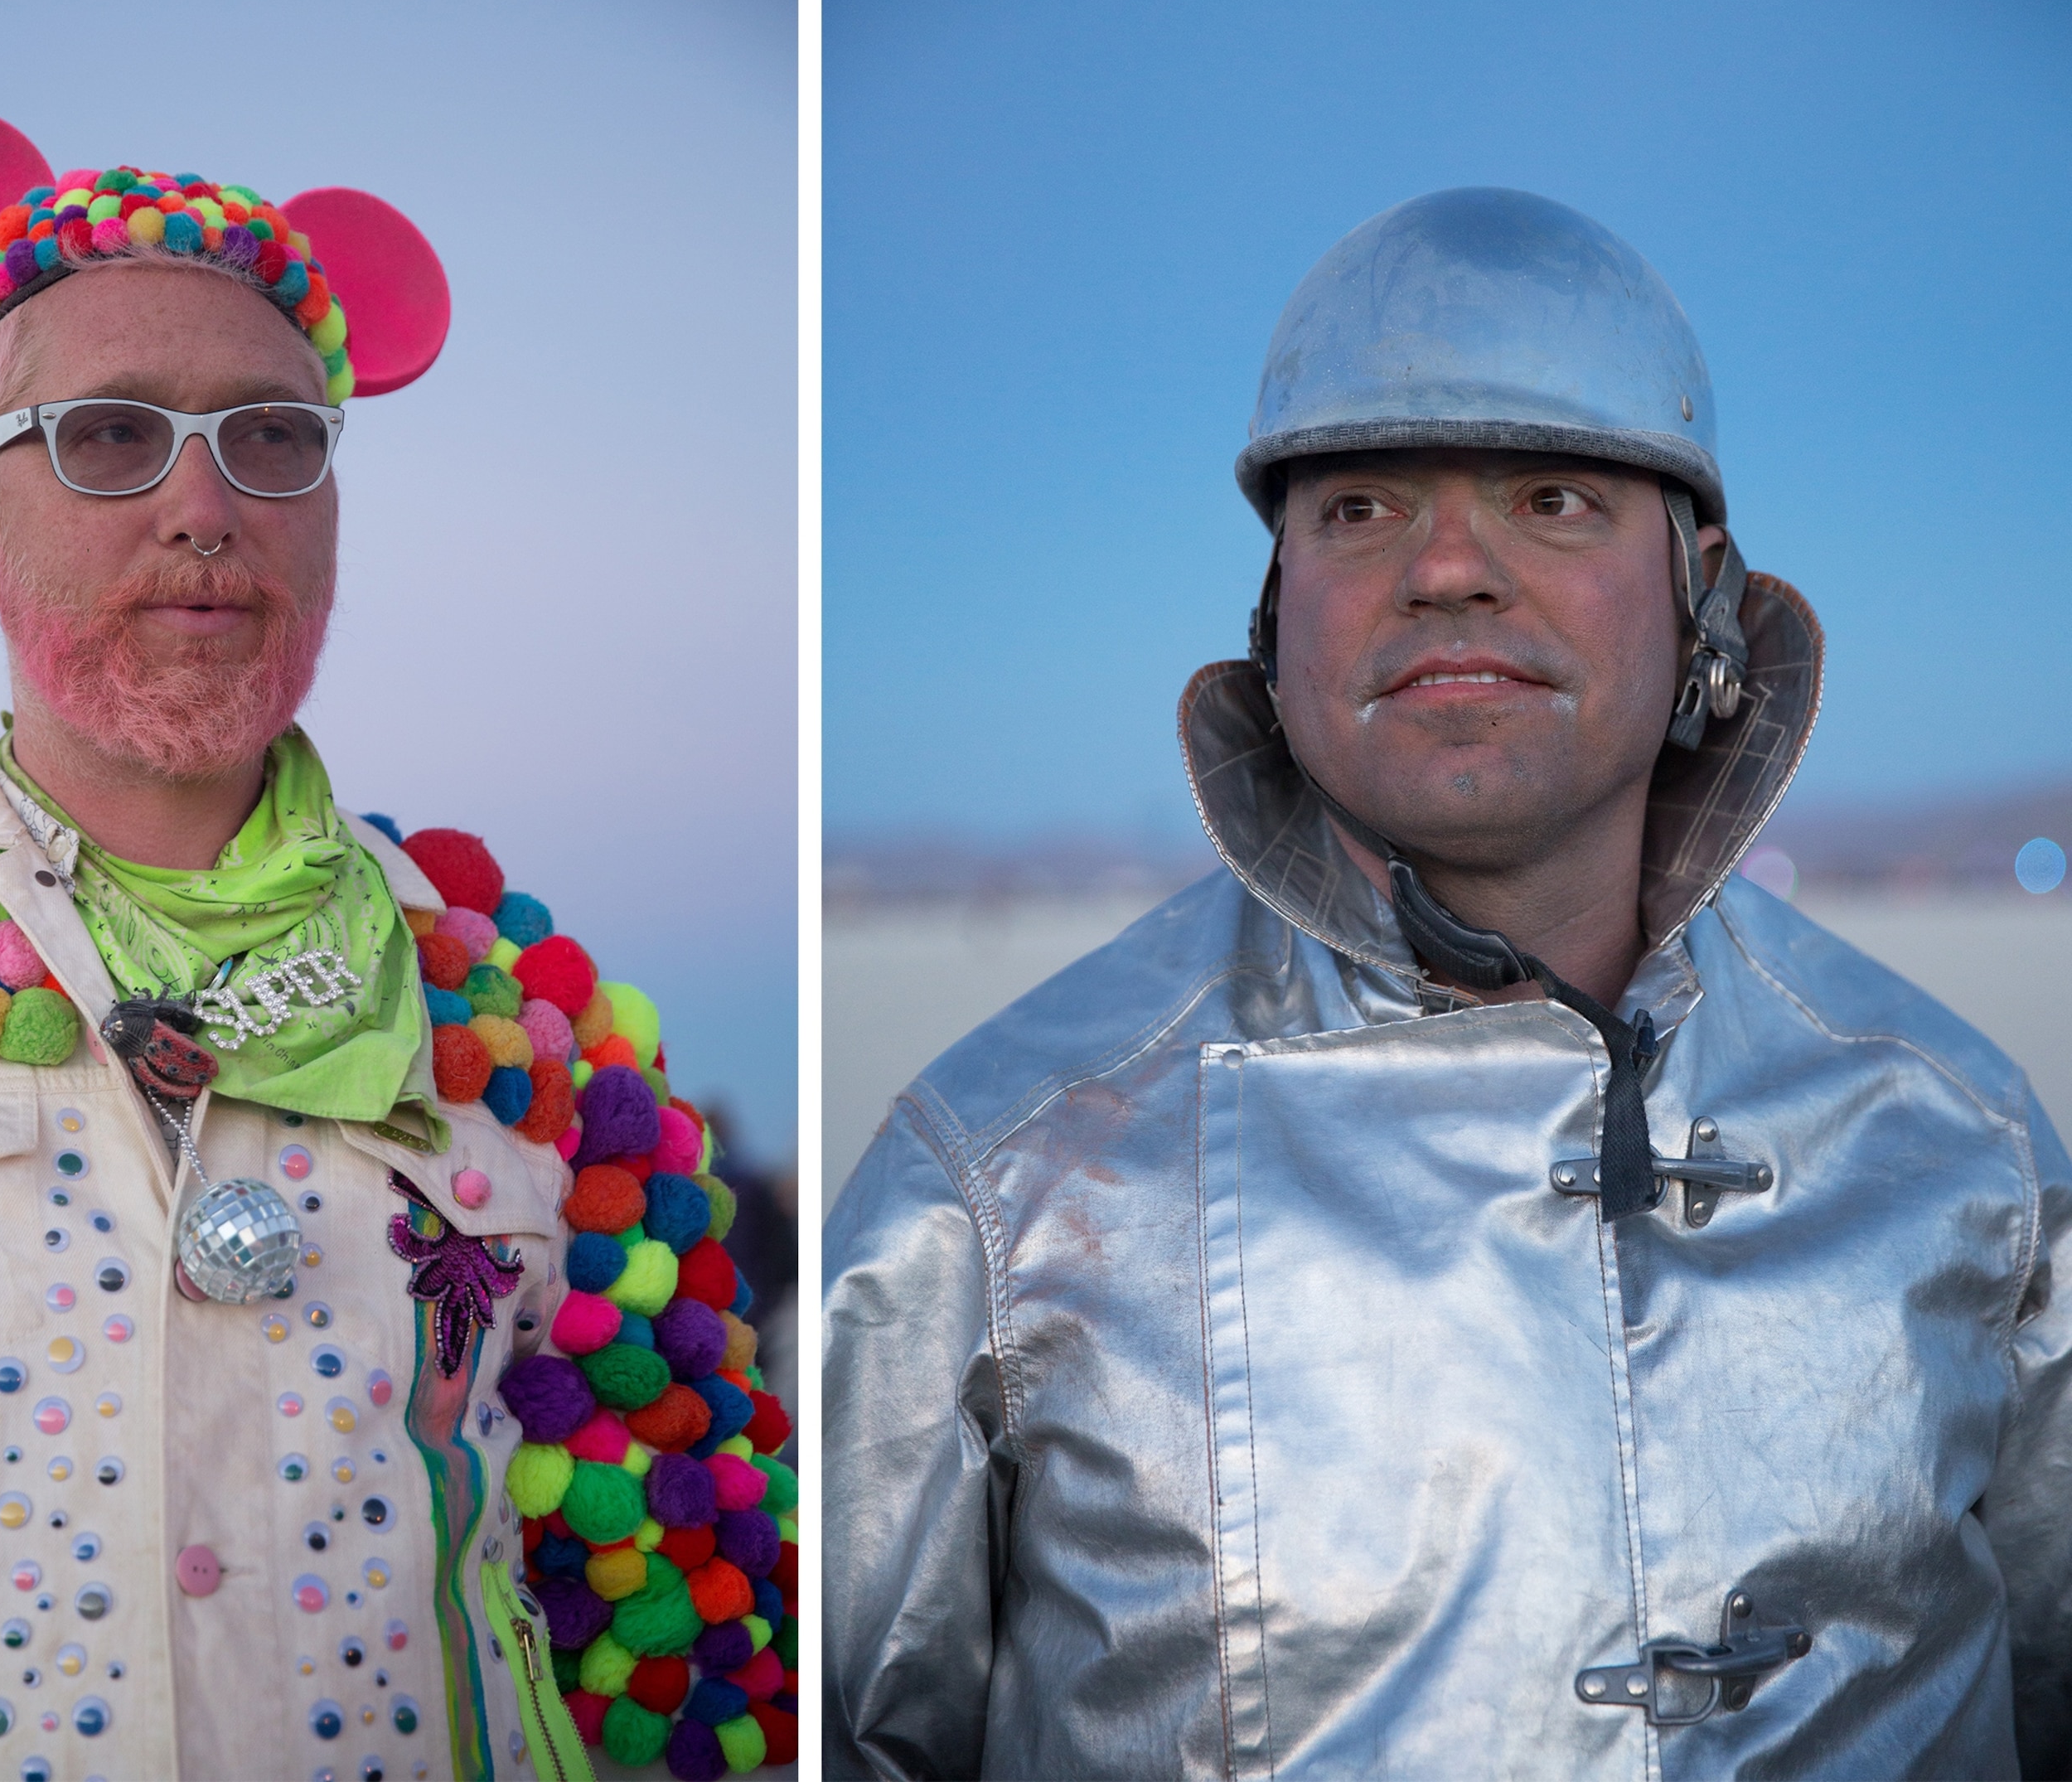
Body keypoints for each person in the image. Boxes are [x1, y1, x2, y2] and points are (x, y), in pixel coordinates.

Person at [0, 109, 797, 1782]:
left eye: (275, 440)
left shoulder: (536, 1027)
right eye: (108, 436)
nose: (203, 504)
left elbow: (695, 1660)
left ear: (332, 518)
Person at [822, 188, 2070, 1780]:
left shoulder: (1960, 1140)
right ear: (1276, 608)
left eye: (1553, 498)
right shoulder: (998, 1187)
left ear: (1702, 587)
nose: (1452, 569)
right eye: (1361, 509)